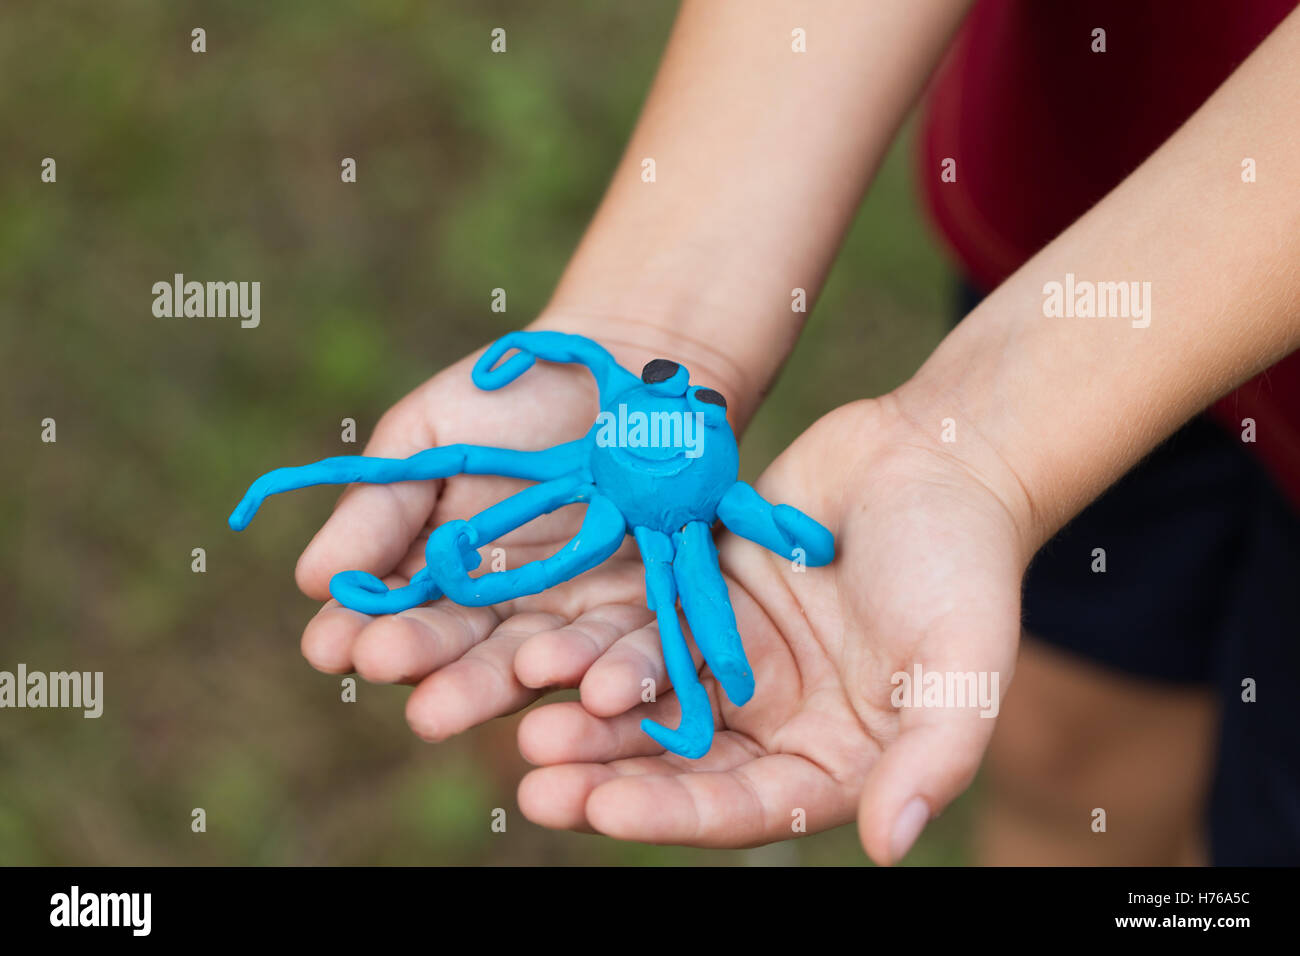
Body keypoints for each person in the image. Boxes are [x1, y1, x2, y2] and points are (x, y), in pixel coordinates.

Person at [290, 1, 1300, 864]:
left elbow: (794, 546)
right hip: (1080, 252)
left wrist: (984, 452)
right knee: (1065, 740)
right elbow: (799, 539)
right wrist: (664, 309)